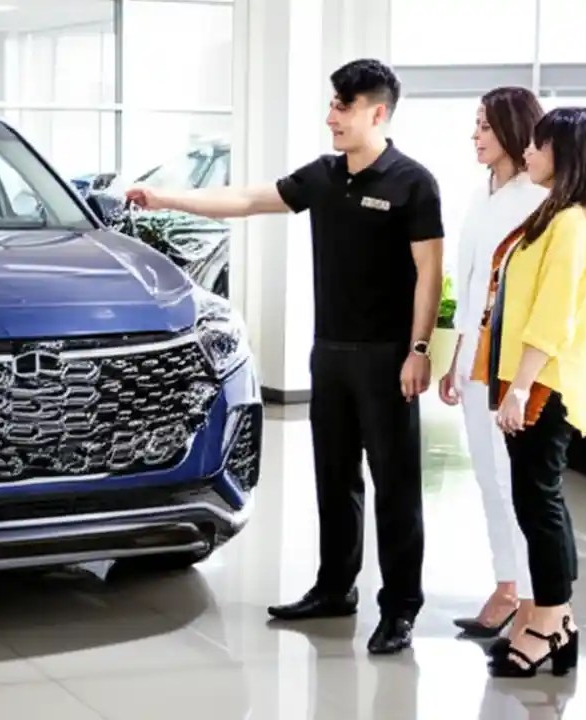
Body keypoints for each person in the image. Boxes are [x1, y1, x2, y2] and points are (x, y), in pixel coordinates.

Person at [125, 58, 444, 655]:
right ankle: (333, 588)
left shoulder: (412, 182)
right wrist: (164, 198)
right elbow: (248, 199)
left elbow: (430, 272)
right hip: (330, 354)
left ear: (377, 113)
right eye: (331, 105)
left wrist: (418, 349)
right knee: (334, 478)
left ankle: (400, 606)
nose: (331, 117)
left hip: (386, 357)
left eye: (342, 108)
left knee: (395, 485)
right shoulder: (324, 176)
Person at [471, 106, 586, 677]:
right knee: (537, 501)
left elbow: (552, 315)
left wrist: (518, 388)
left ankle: (548, 621)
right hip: (530, 379)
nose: (531, 154)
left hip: (543, 384)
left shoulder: (572, 223)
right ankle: (556, 620)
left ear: (564, 155)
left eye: (539, 147)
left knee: (537, 503)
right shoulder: (559, 214)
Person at [438, 87, 547, 644]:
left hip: (510, 365)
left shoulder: (537, 200)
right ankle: (508, 584)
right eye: (475, 125)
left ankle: (532, 599)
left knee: (514, 484)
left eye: (484, 125)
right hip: (473, 358)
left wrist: (521, 382)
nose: (475, 135)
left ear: (511, 129)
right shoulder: (481, 196)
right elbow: (472, 283)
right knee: (486, 478)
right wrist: (453, 359)